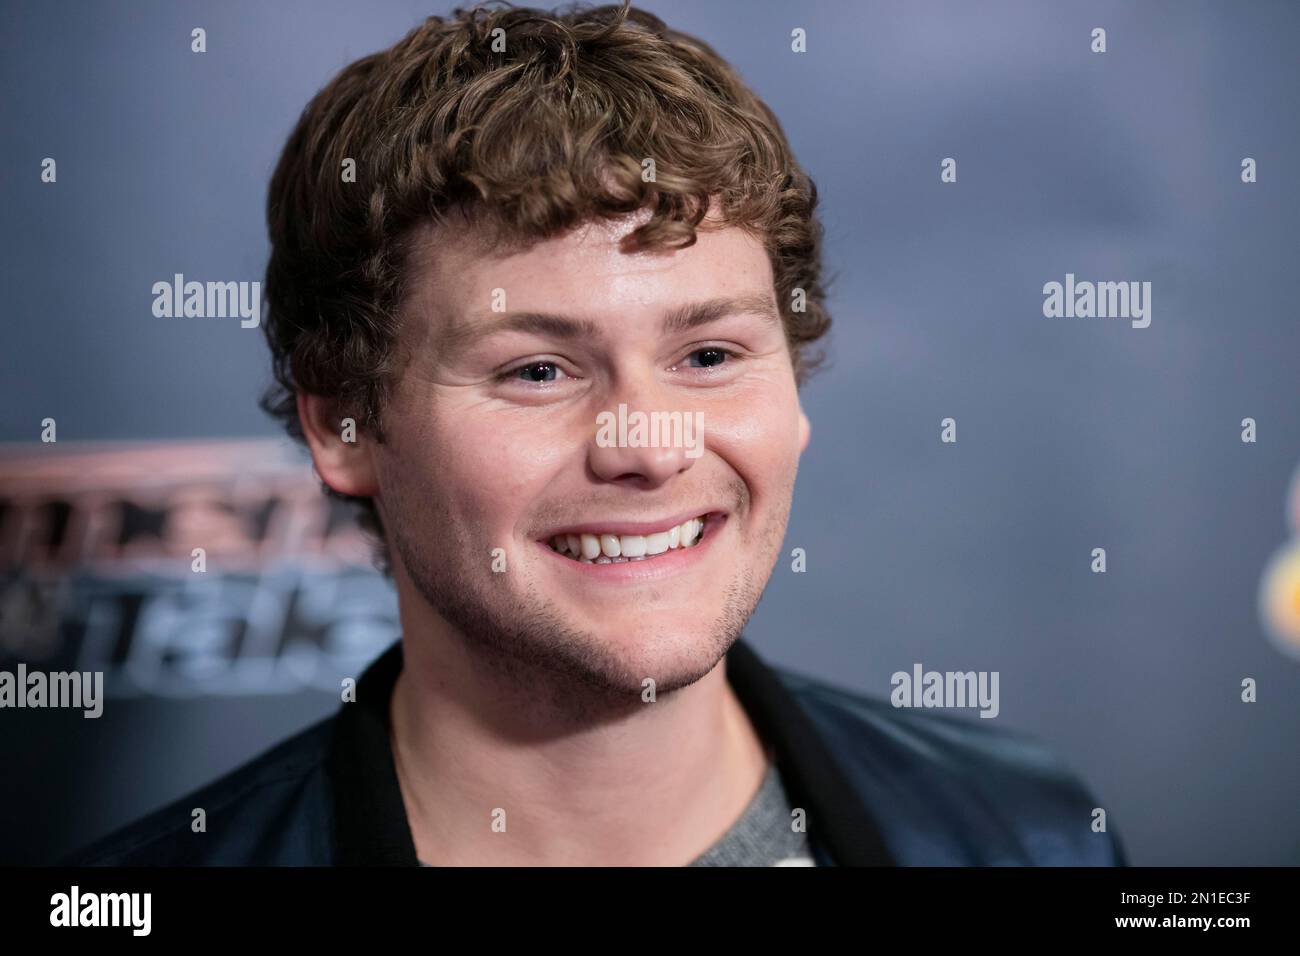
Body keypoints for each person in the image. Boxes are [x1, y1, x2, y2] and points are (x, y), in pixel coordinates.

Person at [69, 1, 1125, 867]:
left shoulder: (1027, 831)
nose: (648, 443)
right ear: (343, 423)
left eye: (708, 355)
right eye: (536, 370)